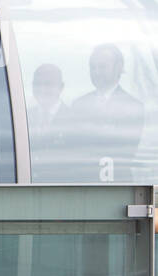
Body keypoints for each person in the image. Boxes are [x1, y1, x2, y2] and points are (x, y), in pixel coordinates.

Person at [62, 43, 144, 182]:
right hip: (82, 183)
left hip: (117, 184)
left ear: (118, 68)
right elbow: (72, 146)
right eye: (93, 67)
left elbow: (125, 151)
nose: (96, 72)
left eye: (102, 67)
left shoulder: (133, 106)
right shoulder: (78, 105)